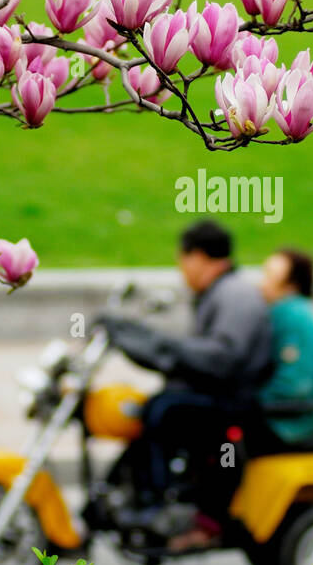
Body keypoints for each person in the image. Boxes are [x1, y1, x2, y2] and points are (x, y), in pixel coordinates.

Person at [99, 220, 273, 527]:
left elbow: (223, 358)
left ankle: (158, 502)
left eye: (183, 260)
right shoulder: (219, 293)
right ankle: (136, 492)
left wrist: (169, 347)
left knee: (163, 409)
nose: (182, 270)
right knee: (153, 405)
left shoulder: (235, 296)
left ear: (200, 258)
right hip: (221, 393)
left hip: (236, 402)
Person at [256, 249, 313, 453]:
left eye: (269, 277)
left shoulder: (295, 318)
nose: (261, 284)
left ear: (291, 285)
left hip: (291, 425)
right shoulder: (288, 314)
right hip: (288, 417)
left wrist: (249, 398)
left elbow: (296, 386)